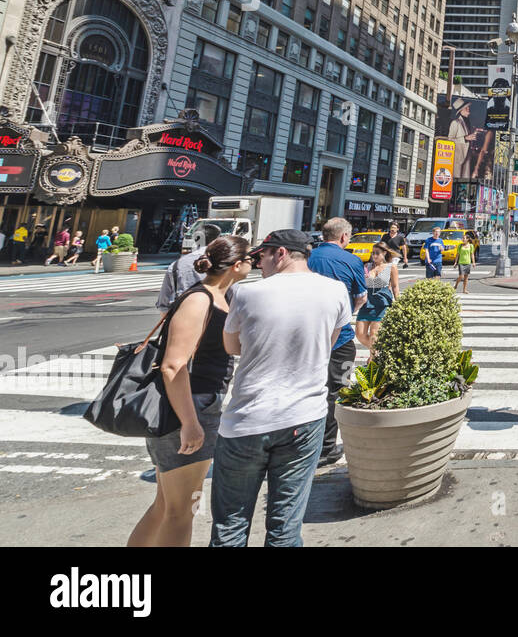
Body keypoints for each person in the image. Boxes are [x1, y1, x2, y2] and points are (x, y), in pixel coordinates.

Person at [210, 230, 352, 547]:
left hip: (247, 420)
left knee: (230, 527)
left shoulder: (246, 294)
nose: (259, 263)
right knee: (285, 527)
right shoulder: (336, 291)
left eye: (262, 256)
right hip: (305, 418)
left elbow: (232, 346)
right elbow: (329, 344)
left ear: (281, 253)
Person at [129, 235, 252, 547]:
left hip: (198, 402)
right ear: (236, 266)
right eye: (250, 258)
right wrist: (190, 423)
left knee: (167, 506)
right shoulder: (200, 299)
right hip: (190, 405)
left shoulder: (220, 297)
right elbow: (173, 366)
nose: (254, 263)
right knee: (182, 510)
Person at [307, 216, 369, 467]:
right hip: (340, 339)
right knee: (336, 390)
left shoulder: (306, 258)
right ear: (344, 237)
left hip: (306, 336)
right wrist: (347, 315)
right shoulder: (352, 260)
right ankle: (326, 447)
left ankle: (303, 444)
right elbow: (361, 297)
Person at [157, 223, 223, 315]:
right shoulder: (223, 262)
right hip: (215, 316)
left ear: (196, 240)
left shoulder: (176, 265)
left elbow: (163, 304)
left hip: (182, 316)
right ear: (217, 240)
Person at [356, 240, 399, 348]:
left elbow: (395, 286)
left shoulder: (391, 267)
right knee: (360, 334)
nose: (374, 255)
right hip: (367, 303)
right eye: (373, 253)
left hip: (382, 304)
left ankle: (373, 360)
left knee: (374, 335)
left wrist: (399, 303)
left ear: (384, 253)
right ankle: (377, 353)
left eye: (377, 253)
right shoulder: (367, 266)